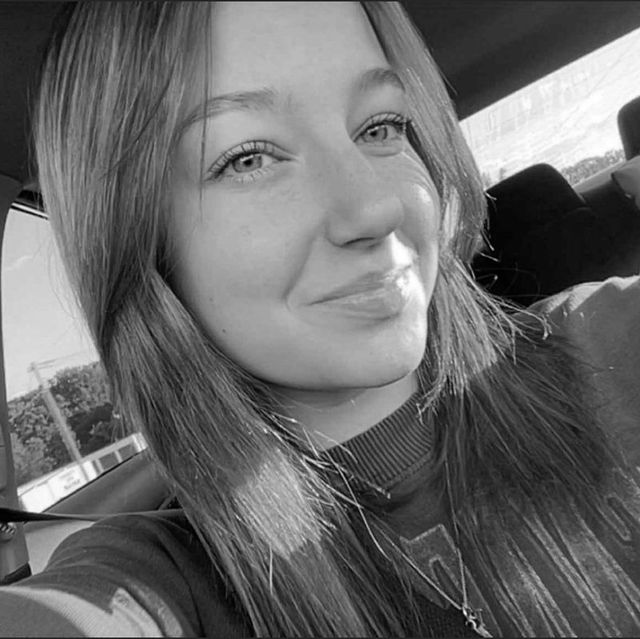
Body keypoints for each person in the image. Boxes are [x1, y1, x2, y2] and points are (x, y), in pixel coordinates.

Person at [1, 1, 640, 636]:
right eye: (248, 158)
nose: (375, 207)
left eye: (382, 126)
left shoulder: (611, 342)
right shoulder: (169, 583)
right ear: (142, 245)